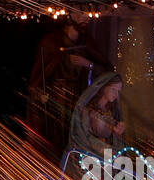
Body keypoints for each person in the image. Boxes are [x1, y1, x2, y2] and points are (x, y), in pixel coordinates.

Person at [27, 9, 109, 150]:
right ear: (70, 16)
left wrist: (87, 64)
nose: (86, 18)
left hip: (78, 97)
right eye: (82, 14)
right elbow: (40, 75)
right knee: (55, 136)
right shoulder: (51, 42)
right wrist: (40, 94)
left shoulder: (87, 43)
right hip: (56, 99)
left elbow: (105, 70)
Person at [65, 72, 127, 166]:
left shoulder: (110, 112)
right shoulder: (87, 110)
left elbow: (112, 139)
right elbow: (82, 137)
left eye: (118, 91)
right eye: (113, 89)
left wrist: (117, 132)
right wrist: (105, 150)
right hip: (87, 160)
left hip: (104, 161)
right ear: (103, 87)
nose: (116, 94)